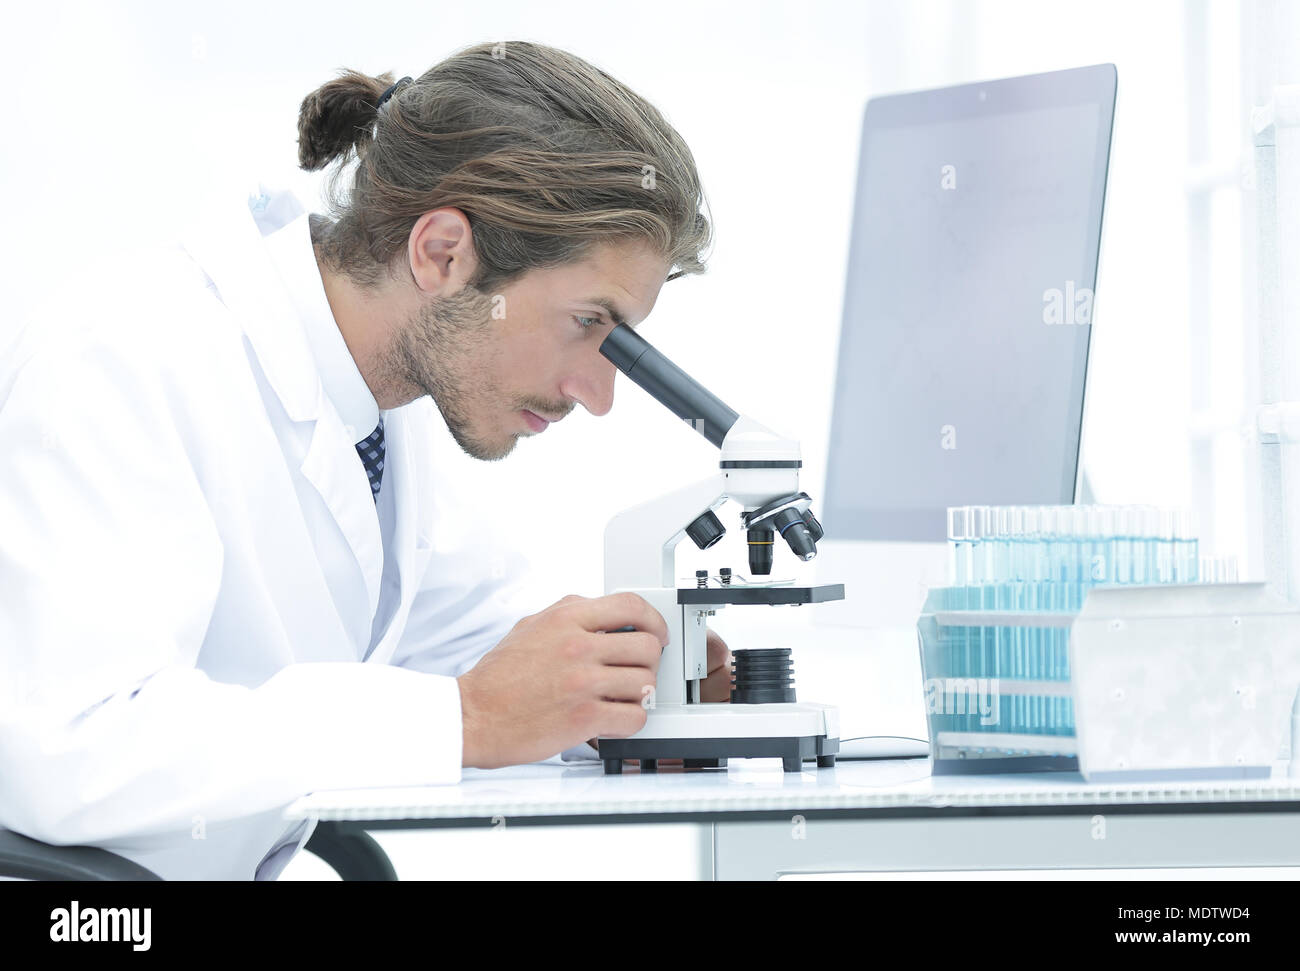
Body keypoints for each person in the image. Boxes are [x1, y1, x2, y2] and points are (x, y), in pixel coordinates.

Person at [0, 40, 731, 880]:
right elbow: (65, 744)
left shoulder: (379, 404)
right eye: (587, 322)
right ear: (442, 254)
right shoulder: (123, 355)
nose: (598, 393)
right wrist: (464, 719)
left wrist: (617, 691)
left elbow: (466, 639)